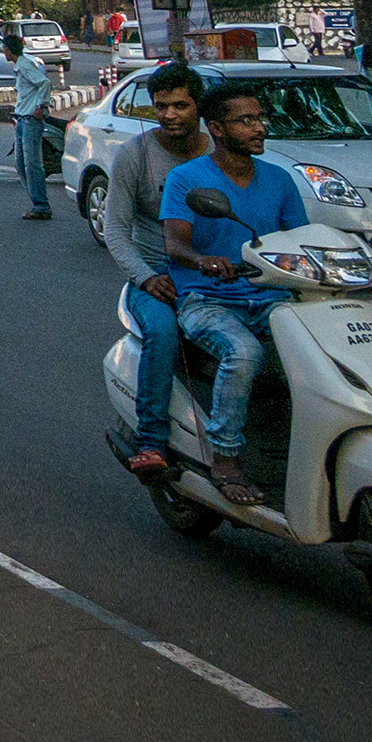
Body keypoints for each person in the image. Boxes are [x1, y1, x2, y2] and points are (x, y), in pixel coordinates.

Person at [162, 86, 309, 506]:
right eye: (246, 121)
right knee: (243, 352)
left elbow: (298, 240)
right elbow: (176, 245)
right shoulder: (187, 179)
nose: (259, 127)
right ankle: (225, 456)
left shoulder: (280, 180)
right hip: (206, 299)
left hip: (268, 297)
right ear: (217, 129)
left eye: (259, 118)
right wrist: (205, 260)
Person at [102, 61, 214, 484]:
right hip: (155, 280)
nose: (169, 115)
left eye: (180, 105)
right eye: (161, 106)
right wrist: (146, 277)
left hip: (215, 276)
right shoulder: (136, 154)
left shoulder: (219, 154)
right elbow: (114, 229)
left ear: (199, 106)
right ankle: (151, 440)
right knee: (164, 332)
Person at [6, 33, 53, 219]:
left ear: (8, 51)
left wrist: (41, 105)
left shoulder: (25, 65)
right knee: (21, 164)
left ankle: (41, 205)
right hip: (22, 118)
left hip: (31, 121)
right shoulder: (21, 66)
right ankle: (36, 201)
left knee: (32, 164)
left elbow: (45, 83)